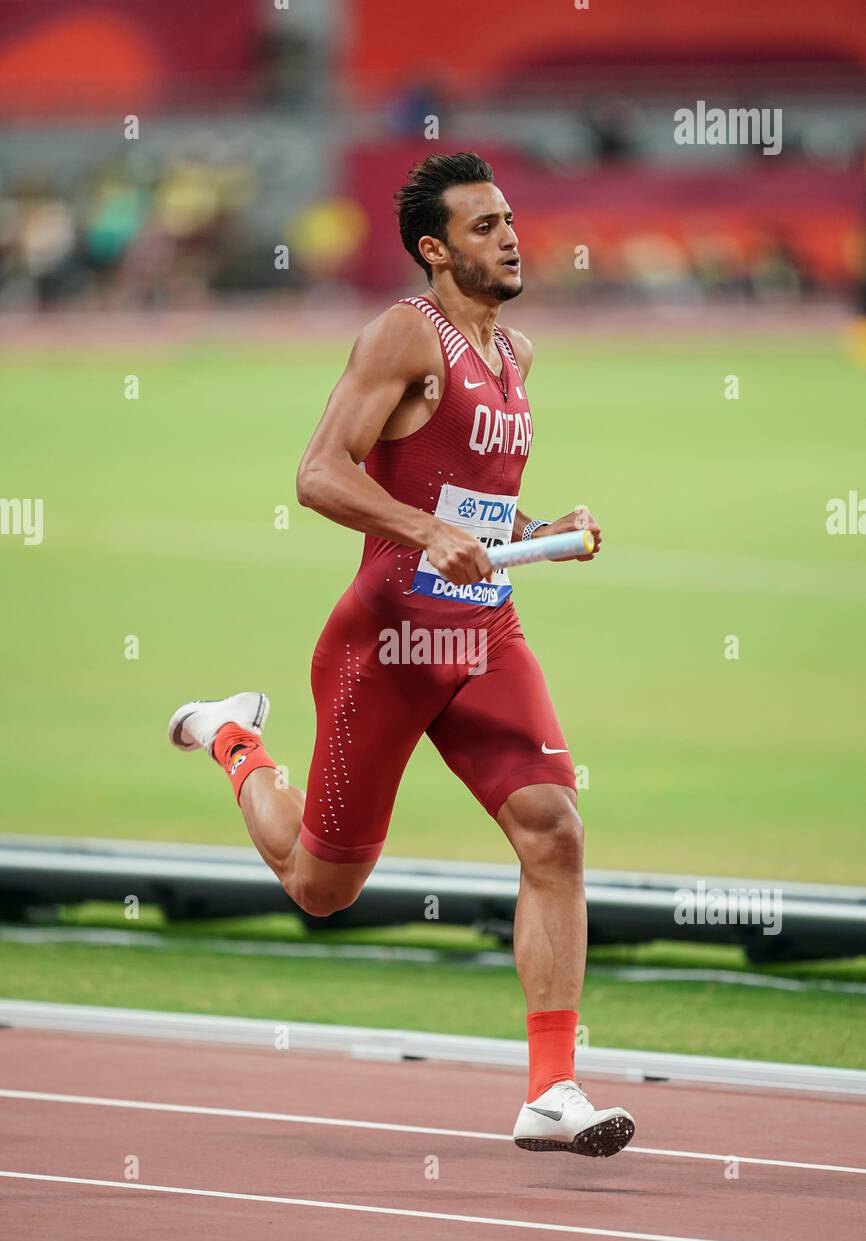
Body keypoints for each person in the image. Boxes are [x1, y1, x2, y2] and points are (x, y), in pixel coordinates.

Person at [168, 152, 634, 1158]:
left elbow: (470, 506)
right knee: (319, 888)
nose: (508, 236)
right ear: (432, 249)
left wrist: (541, 528)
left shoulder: (515, 355)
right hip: (385, 643)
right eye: (482, 226)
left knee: (553, 832)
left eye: (508, 219)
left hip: (481, 634)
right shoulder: (399, 335)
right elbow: (318, 473)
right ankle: (235, 738)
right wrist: (424, 534)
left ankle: (549, 1089)